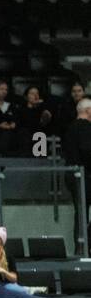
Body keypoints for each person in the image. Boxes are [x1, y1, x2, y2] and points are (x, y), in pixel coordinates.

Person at [63, 98, 91, 251]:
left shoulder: (70, 128)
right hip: (85, 175)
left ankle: (80, 246)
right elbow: (87, 151)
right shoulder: (86, 128)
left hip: (72, 174)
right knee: (82, 212)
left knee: (80, 212)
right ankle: (85, 245)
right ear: (88, 111)